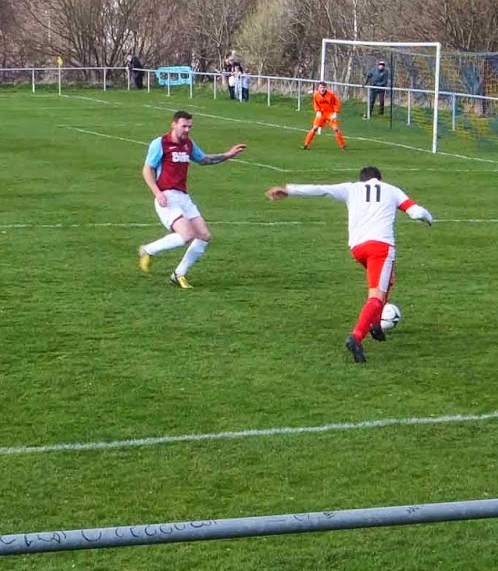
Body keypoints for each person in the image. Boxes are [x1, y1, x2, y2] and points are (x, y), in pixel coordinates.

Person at [265, 166, 436, 363]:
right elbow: (415, 212)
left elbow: (321, 189)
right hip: (380, 247)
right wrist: (428, 218)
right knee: (377, 296)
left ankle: (376, 324)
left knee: (388, 278)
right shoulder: (392, 190)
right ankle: (356, 337)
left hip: (358, 249)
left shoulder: (351, 188)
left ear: (362, 180)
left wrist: (289, 190)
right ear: (380, 179)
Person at [136, 110, 246, 289]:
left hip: (183, 197)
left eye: (189, 126)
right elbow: (147, 170)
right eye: (184, 126)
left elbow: (203, 160)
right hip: (166, 196)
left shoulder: (188, 144)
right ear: (174, 124)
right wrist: (157, 192)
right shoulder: (160, 143)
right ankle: (148, 249)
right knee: (186, 235)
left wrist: (228, 155)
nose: (187, 130)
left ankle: (178, 274)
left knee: (204, 235)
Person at [303, 82, 347, 150]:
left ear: (326, 88)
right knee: (315, 128)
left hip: (330, 114)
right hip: (321, 114)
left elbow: (337, 103)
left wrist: (335, 113)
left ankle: (343, 145)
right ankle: (306, 144)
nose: (322, 89)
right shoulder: (316, 95)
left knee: (336, 129)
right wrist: (317, 111)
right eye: (321, 87)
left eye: (323, 87)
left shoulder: (331, 95)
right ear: (318, 88)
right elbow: (315, 104)